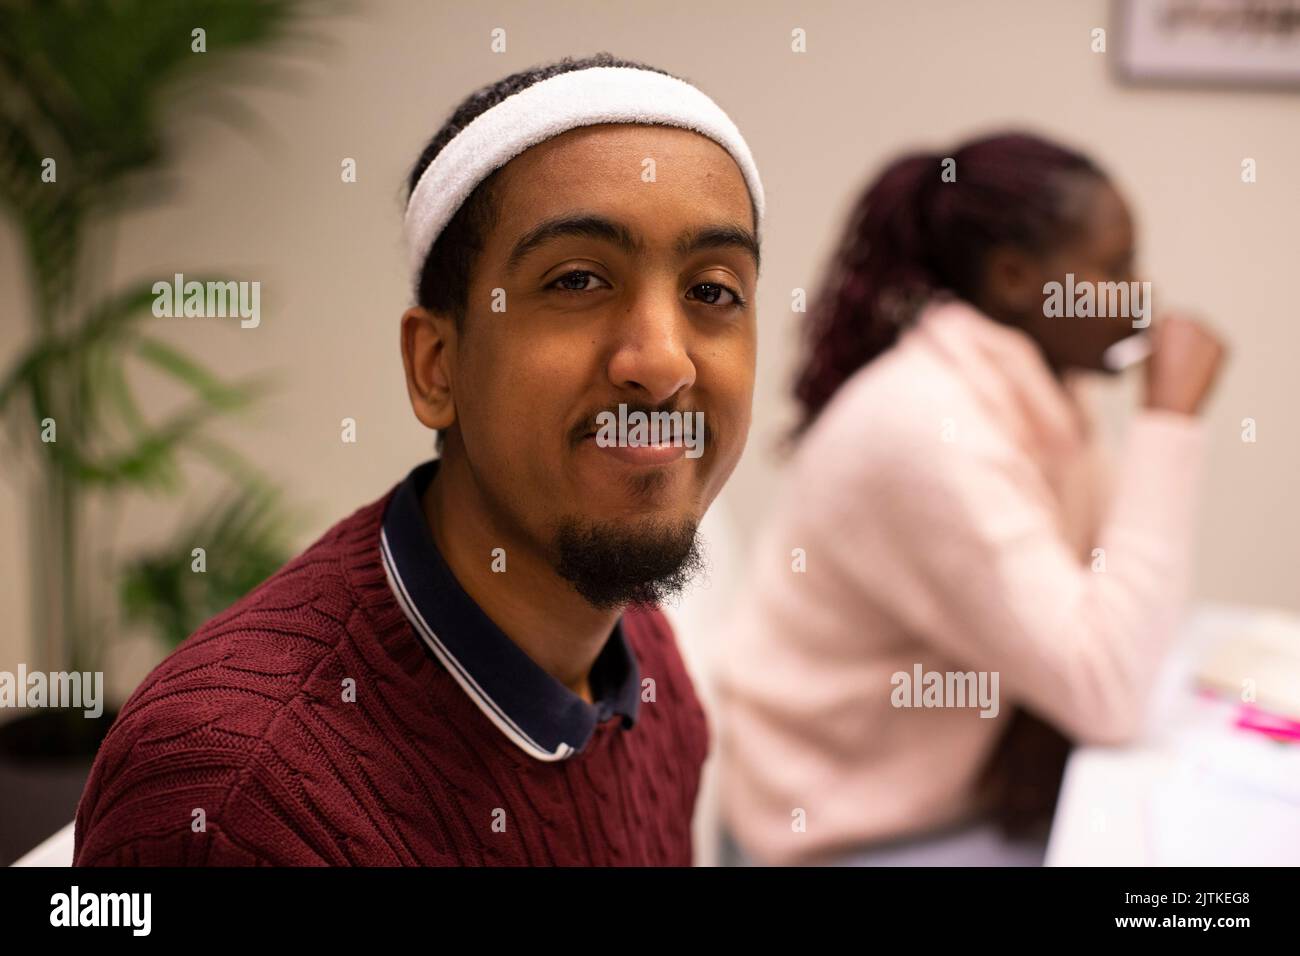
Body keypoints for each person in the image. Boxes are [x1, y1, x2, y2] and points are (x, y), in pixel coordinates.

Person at [74, 52, 765, 866]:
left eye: (713, 291)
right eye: (578, 279)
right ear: (436, 365)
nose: (663, 360)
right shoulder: (236, 792)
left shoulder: (644, 665)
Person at [714, 132, 1225, 866]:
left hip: (947, 799)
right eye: (1116, 267)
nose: (1144, 296)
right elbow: (1109, 686)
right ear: (1016, 277)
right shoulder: (926, 429)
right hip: (840, 833)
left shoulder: (1043, 397)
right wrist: (1170, 423)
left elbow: (1116, 618)